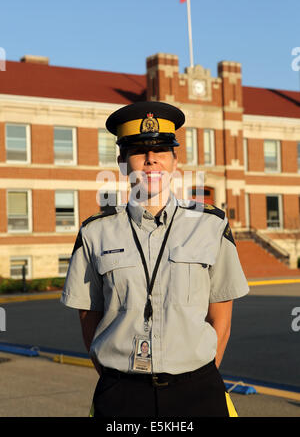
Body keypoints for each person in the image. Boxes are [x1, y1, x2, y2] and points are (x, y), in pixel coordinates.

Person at [61, 101, 249, 418]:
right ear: (122, 162)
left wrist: (193, 374)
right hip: (122, 396)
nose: (151, 161)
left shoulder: (211, 226)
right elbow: (88, 319)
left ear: (175, 160)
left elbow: (222, 321)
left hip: (198, 392)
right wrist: (120, 379)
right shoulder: (95, 233)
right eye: (138, 151)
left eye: (161, 149)